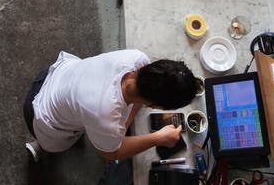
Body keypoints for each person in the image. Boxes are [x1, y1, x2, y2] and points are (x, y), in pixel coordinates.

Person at [23, 49, 196, 161]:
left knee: (88, 121)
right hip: (40, 115)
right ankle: (40, 143)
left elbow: (137, 99)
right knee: (65, 141)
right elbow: (111, 153)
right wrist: (159, 138)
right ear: (156, 106)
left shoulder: (137, 59)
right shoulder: (105, 116)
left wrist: (119, 129)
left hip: (53, 75)